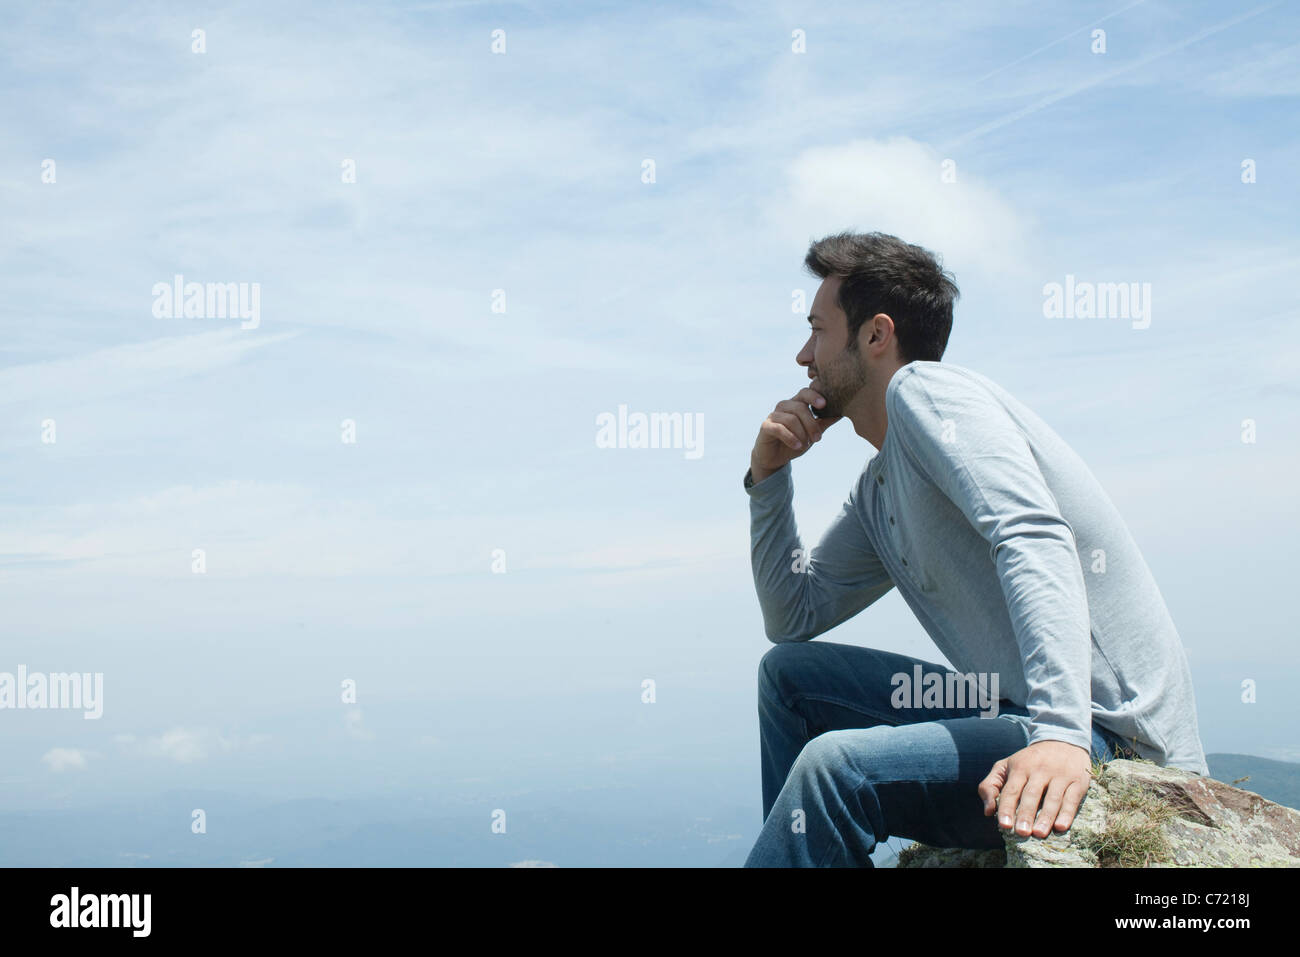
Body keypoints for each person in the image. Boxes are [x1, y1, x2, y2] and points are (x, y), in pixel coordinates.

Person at [742, 231, 1207, 867]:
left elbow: (1033, 534)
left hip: (1108, 737)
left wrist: (1059, 737)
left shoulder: (929, 394)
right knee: (788, 678)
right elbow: (792, 618)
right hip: (1020, 709)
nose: (803, 355)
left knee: (834, 768)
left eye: (817, 329)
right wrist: (768, 479)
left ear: (876, 336)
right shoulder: (880, 488)